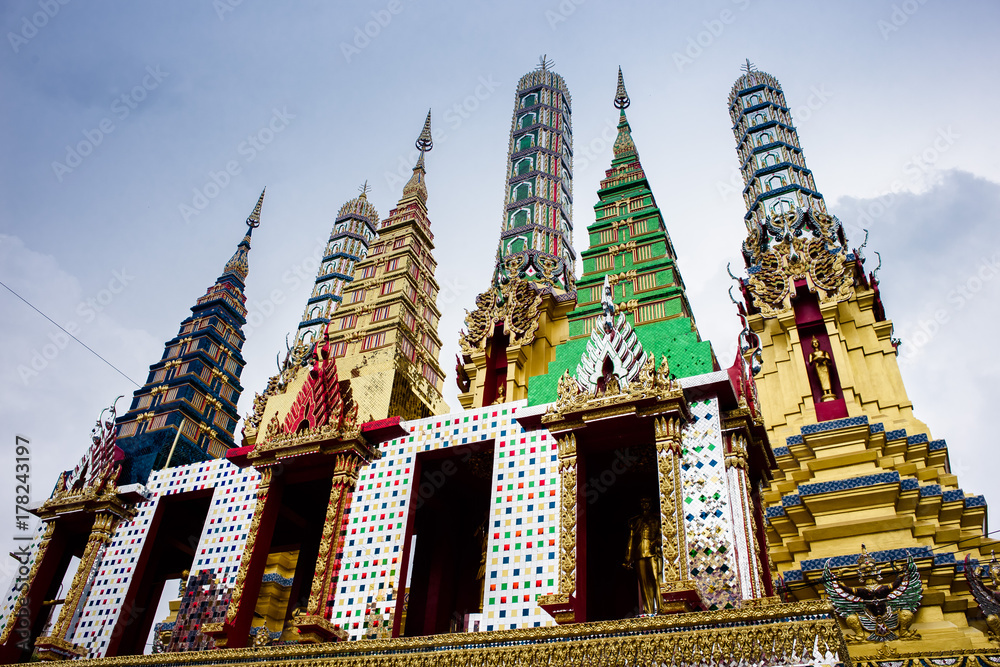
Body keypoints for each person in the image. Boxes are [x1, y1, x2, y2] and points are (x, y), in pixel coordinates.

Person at [624, 497, 662, 615]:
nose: (645, 505)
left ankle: (661, 608)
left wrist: (656, 541)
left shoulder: (657, 519)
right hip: (639, 552)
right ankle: (648, 610)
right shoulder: (636, 521)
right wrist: (628, 558)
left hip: (653, 552)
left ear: (651, 504)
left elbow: (662, 534)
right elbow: (631, 540)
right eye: (643, 503)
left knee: (656, 579)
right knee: (644, 583)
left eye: (647, 502)